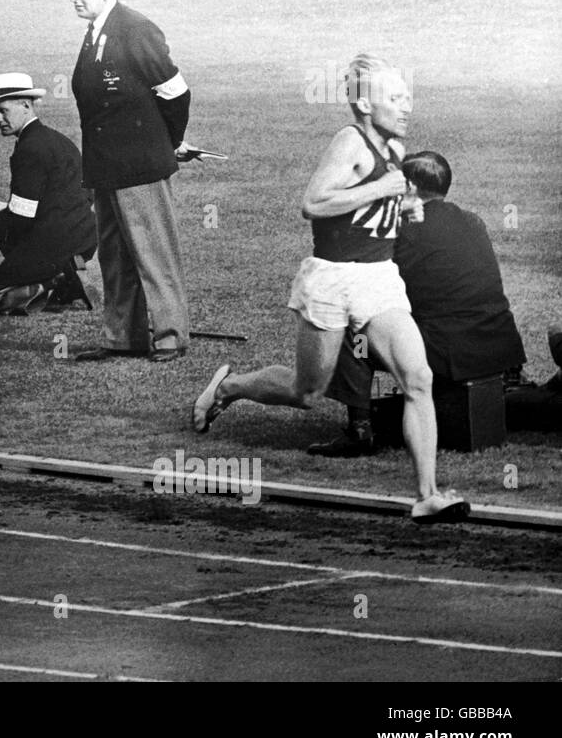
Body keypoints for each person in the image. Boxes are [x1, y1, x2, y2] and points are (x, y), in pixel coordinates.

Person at [191, 54, 470, 524]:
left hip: (378, 278)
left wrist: (404, 209)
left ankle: (427, 494)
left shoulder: (397, 150)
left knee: (417, 378)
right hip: (332, 278)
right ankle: (229, 388)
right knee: (307, 391)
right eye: (396, 99)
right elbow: (314, 203)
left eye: (408, 97)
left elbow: (372, 205)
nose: (407, 107)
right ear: (364, 104)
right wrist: (381, 192)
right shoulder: (349, 141)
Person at [313, 151, 527, 456]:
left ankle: (359, 429)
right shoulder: (472, 221)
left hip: (447, 351)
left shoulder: (397, 229)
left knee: (348, 325)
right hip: (495, 347)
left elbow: (364, 291)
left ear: (409, 188)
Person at [56, 0, 192, 363]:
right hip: (107, 167)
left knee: (154, 253)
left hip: (139, 166)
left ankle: (170, 336)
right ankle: (121, 337)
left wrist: (167, 144)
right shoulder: (95, 31)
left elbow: (176, 93)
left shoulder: (136, 30)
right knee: (115, 256)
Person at [0, 73, 97, 316]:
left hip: (55, 243)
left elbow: (22, 214)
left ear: (25, 105)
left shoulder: (30, 148)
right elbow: (88, 193)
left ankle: (45, 283)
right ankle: (52, 281)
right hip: (86, 234)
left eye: (3, 111)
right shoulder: (56, 139)